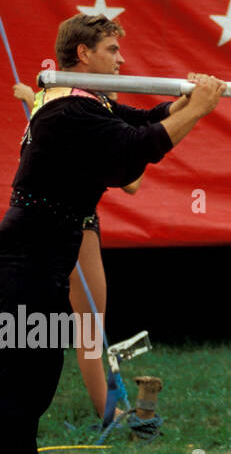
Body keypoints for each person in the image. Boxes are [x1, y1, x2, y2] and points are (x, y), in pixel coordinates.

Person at [0, 13, 225, 454]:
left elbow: (144, 122)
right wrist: (199, 110)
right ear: (83, 54)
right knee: (23, 387)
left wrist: (183, 103)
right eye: (112, 51)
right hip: (25, 266)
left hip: (44, 262)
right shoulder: (67, 111)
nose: (122, 60)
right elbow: (137, 152)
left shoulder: (83, 103)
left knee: (31, 384)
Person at [12, 80, 141, 422]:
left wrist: (31, 98)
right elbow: (131, 182)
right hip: (70, 225)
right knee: (80, 328)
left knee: (79, 327)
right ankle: (109, 414)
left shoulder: (68, 113)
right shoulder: (77, 117)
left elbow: (130, 181)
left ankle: (107, 411)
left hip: (75, 224)